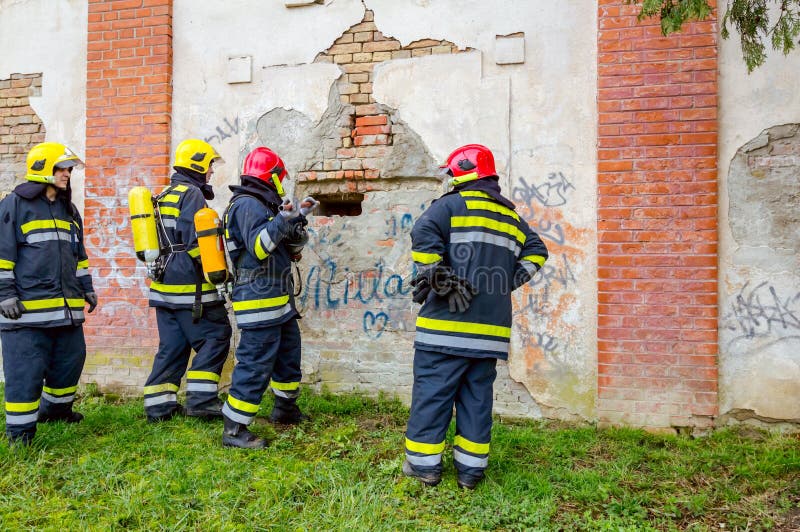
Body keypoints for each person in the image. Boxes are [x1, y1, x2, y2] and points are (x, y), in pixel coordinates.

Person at [402, 144, 549, 489]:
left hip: (444, 330)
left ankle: (424, 467)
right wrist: (506, 283)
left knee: (433, 395)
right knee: (476, 400)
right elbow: (538, 251)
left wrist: (434, 272)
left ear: (463, 173)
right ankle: (470, 473)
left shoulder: (449, 206)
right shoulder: (511, 217)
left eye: (451, 173)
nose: (449, 180)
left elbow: (421, 232)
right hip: (490, 333)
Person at [0, 142, 97, 445]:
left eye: (68, 169)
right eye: (62, 168)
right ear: (43, 168)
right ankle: (20, 434)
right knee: (25, 374)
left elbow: (78, 255)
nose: (67, 173)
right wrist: (5, 294)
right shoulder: (13, 205)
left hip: (66, 312)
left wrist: (88, 288)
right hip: (26, 314)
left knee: (71, 361)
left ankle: (56, 411)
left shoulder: (69, 210)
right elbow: (2, 255)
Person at [220, 146, 316, 448]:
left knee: (289, 355)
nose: (282, 185)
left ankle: (285, 409)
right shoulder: (247, 205)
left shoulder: (263, 206)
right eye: (280, 178)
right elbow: (260, 247)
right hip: (258, 301)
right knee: (255, 363)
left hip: (278, 301)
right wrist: (281, 220)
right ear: (271, 176)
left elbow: (285, 246)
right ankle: (234, 429)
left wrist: (297, 218)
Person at [142, 139, 233, 422]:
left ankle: (158, 407)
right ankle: (202, 401)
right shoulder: (192, 194)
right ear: (196, 164)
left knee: (172, 347)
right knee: (216, 337)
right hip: (190, 288)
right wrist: (219, 275)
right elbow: (195, 244)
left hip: (163, 287)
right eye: (209, 165)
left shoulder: (165, 192)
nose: (211, 172)